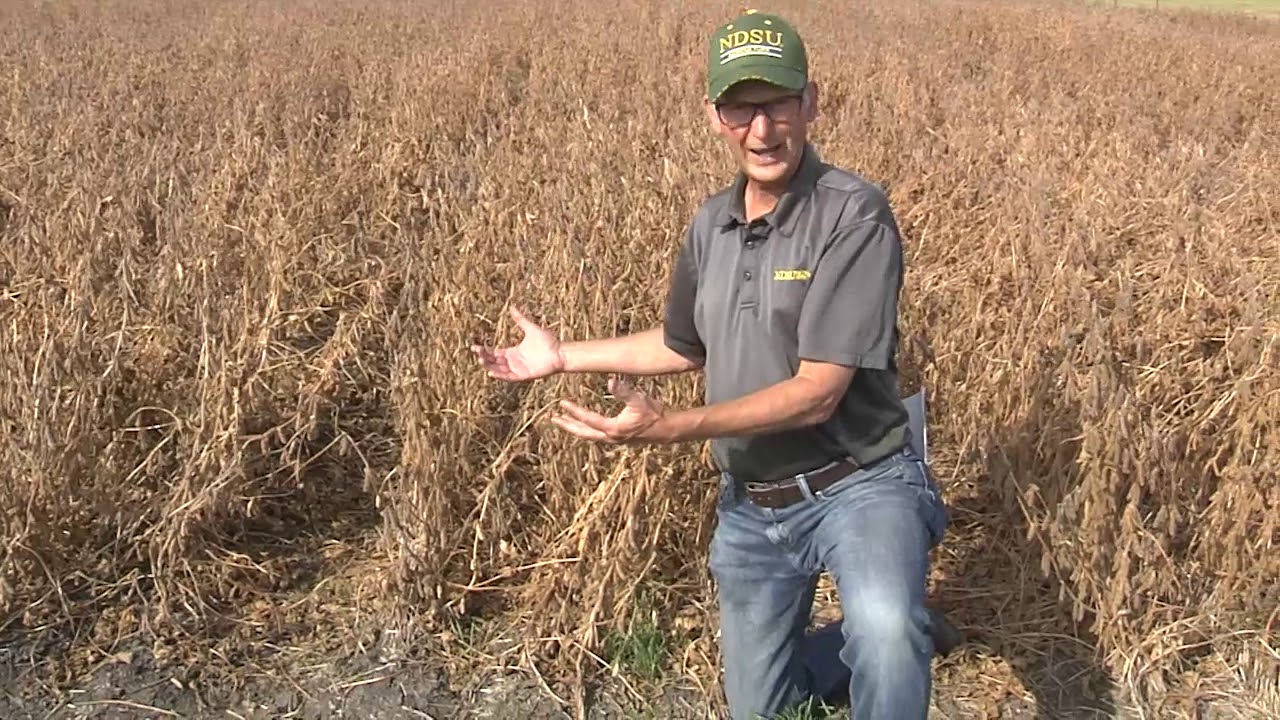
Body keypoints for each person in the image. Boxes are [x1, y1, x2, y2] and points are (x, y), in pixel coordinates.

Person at [470, 10, 955, 719]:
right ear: (714, 115)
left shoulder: (853, 216)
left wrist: (676, 428)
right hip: (755, 502)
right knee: (763, 706)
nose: (762, 130)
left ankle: (893, 634)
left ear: (811, 102)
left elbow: (819, 392)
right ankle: (887, 632)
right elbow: (682, 344)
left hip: (861, 483)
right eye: (740, 107)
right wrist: (562, 356)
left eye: (778, 104)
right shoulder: (711, 227)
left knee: (886, 633)